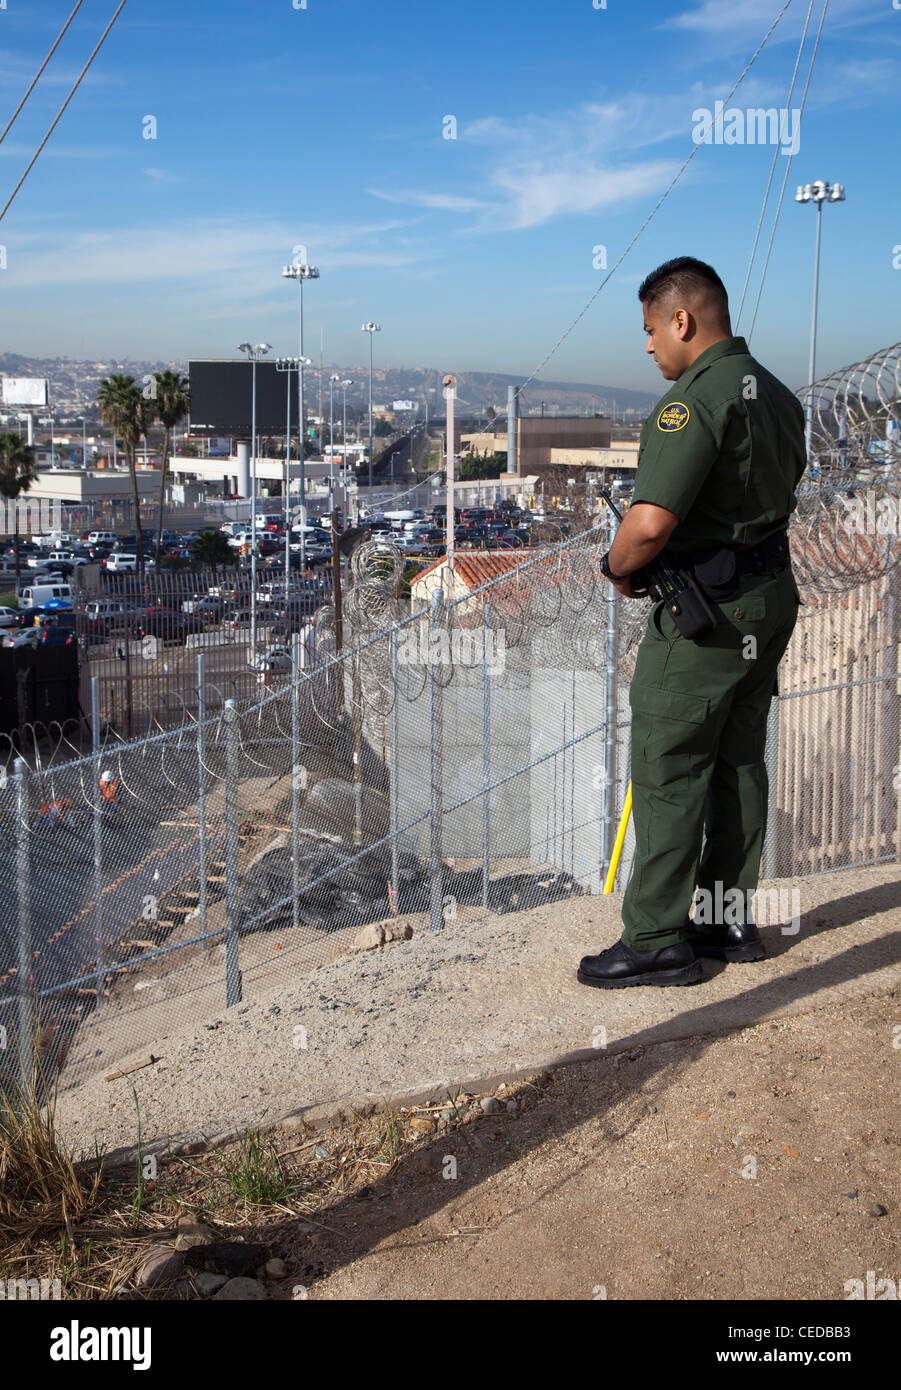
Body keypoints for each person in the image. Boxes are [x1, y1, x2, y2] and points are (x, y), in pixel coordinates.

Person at [578, 256, 806, 990]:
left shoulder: (692, 402)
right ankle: (724, 919)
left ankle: (654, 939)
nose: (648, 347)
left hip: (708, 616)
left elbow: (647, 526)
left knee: (670, 765)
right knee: (737, 759)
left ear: (681, 320)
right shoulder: (773, 393)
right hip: (768, 596)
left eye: (650, 330)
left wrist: (616, 569)